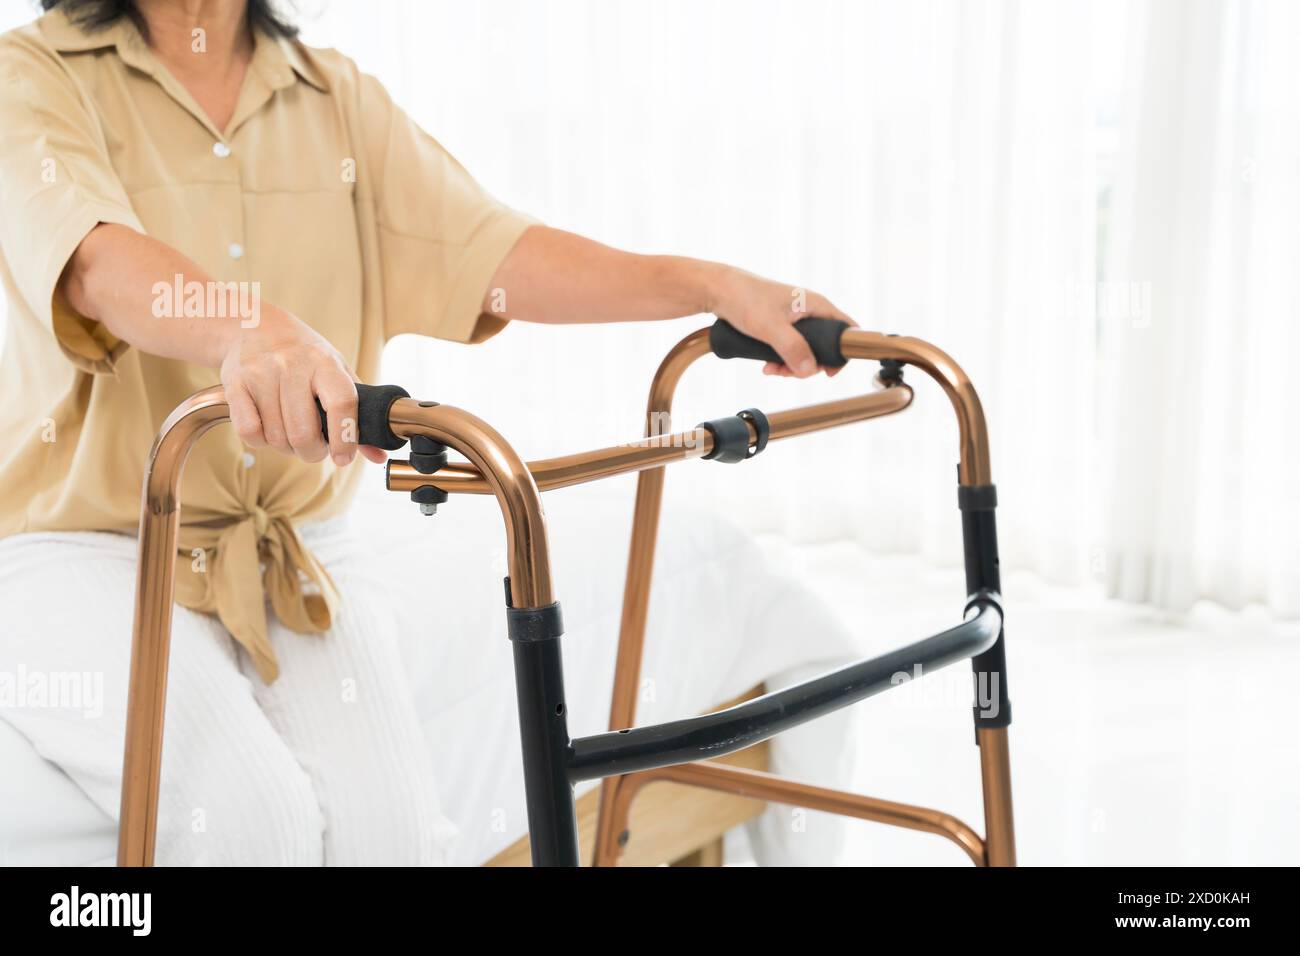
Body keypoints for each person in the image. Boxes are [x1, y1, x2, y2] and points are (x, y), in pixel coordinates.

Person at [0, 0, 854, 864]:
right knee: (251, 821)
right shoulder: (33, 72)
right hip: (86, 544)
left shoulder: (333, 97)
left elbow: (493, 256)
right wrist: (251, 330)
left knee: (394, 832)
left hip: (292, 544)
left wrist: (708, 284)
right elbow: (95, 261)